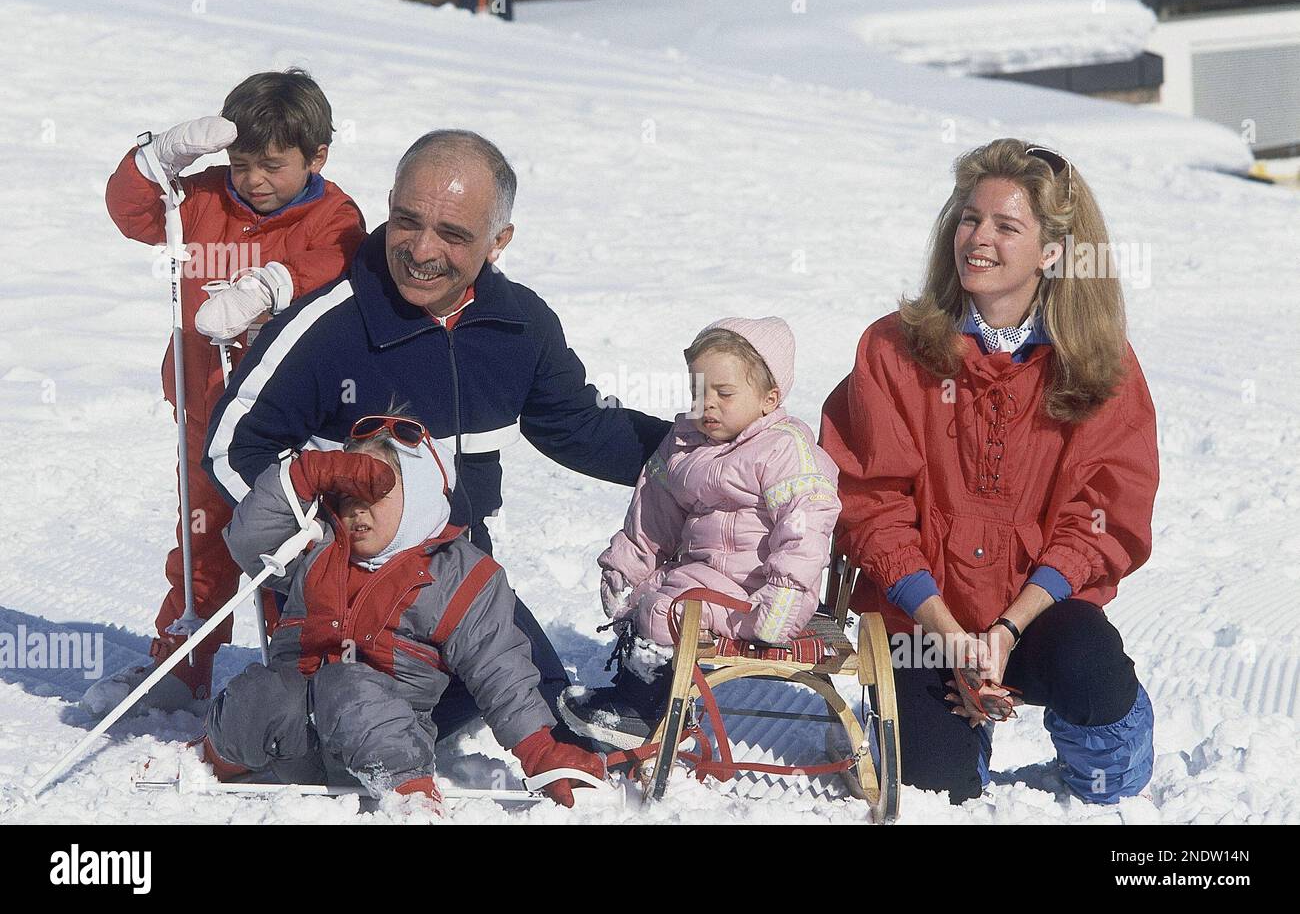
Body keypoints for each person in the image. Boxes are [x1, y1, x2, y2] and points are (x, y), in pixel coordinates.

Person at [202, 129, 671, 737]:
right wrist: (317, 542)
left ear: (498, 241)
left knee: (549, 710)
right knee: (364, 727)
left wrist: (713, 455)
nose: (421, 250)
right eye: (407, 222)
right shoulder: (329, 323)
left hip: (457, 586)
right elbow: (232, 447)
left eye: (453, 235)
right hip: (345, 598)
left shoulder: (517, 325)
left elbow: (578, 426)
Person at [819, 138, 1158, 805]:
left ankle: (1102, 747)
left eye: (1008, 226)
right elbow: (872, 507)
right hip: (925, 622)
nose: (978, 238)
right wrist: (951, 636)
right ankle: (936, 729)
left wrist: (1004, 631)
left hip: (1031, 619)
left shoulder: (1099, 367)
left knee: (1094, 689)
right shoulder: (892, 349)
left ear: (1053, 251)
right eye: (971, 218)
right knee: (933, 787)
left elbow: (1097, 520)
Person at [88, 69, 367, 716]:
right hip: (202, 406)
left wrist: (271, 285)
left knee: (287, 540)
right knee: (203, 539)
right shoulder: (205, 200)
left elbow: (340, 258)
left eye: (272, 165)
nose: (254, 180)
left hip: (288, 423)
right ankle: (182, 666)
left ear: (317, 157)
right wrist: (152, 161)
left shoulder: (333, 214)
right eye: (242, 163)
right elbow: (131, 213)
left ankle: (294, 673)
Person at [201, 412, 603, 809]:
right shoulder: (316, 549)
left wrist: (539, 750)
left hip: (386, 740)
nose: (356, 510)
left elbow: (500, 670)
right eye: (345, 497)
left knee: (347, 685)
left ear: (420, 494)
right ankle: (210, 759)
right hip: (294, 744)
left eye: (373, 494)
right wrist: (305, 475)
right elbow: (250, 541)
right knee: (263, 690)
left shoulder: (458, 574)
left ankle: (411, 801)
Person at [560, 317, 841, 750]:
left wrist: (782, 602)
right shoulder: (685, 443)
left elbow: (804, 531)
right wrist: (626, 570)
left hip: (759, 595)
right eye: (697, 392)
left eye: (724, 394)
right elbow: (652, 516)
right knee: (647, 595)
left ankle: (642, 711)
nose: (706, 405)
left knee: (663, 609)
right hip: (707, 578)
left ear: (769, 399)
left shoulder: (785, 450)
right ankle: (651, 693)